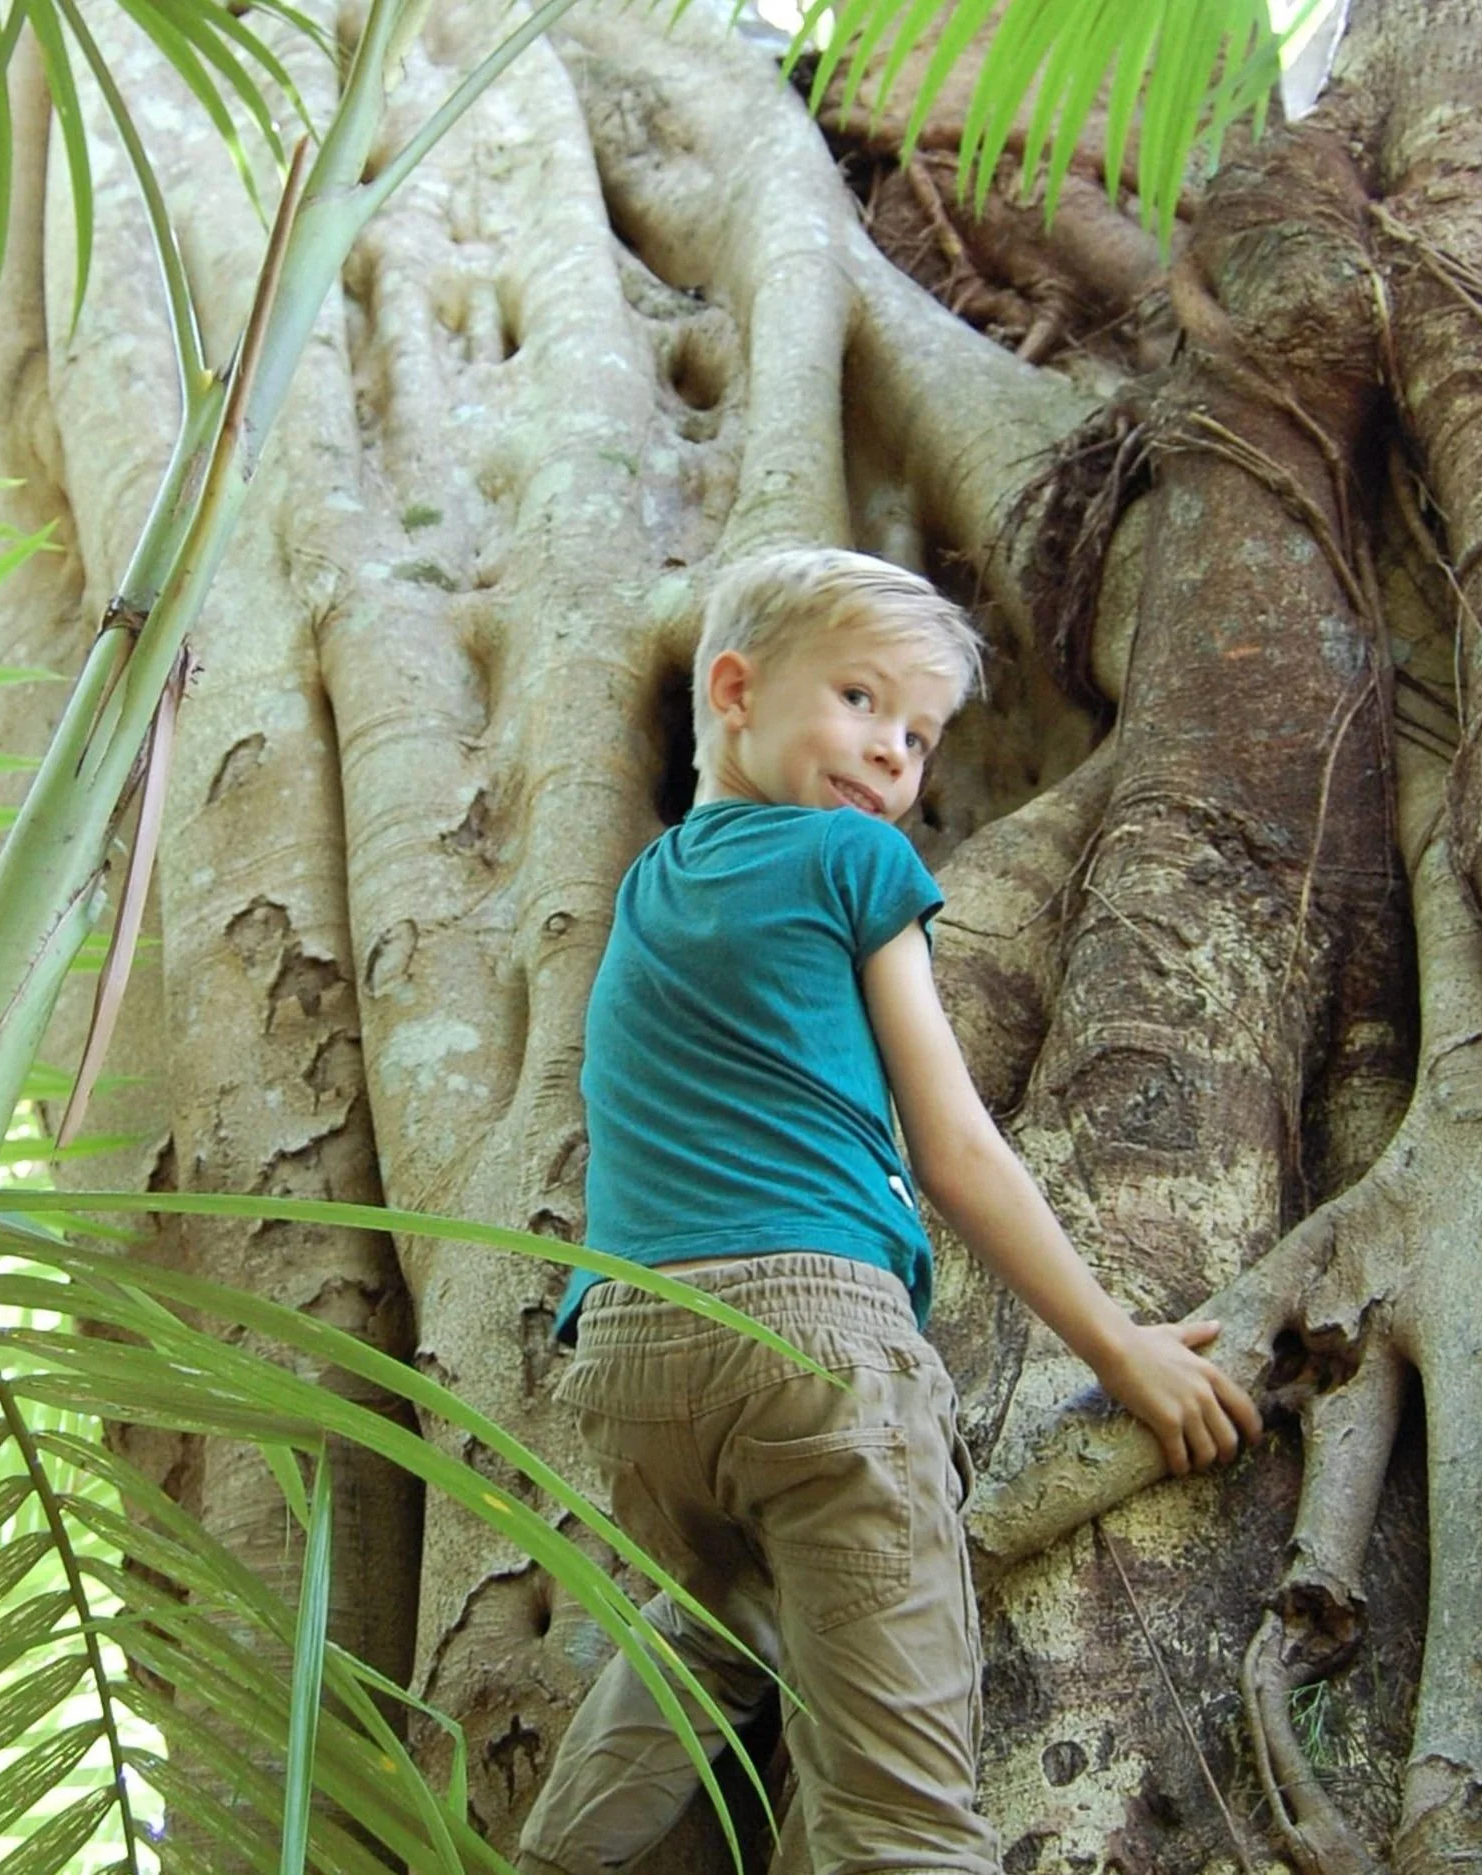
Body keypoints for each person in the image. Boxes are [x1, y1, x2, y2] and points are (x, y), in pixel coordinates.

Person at [517, 549, 1263, 1875]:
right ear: (734, 687)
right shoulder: (855, 858)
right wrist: (1116, 1347)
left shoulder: (649, 883)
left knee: (712, 1619)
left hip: (627, 1353)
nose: (890, 756)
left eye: (917, 735)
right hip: (810, 1341)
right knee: (903, 1821)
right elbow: (956, 1145)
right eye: (860, 699)